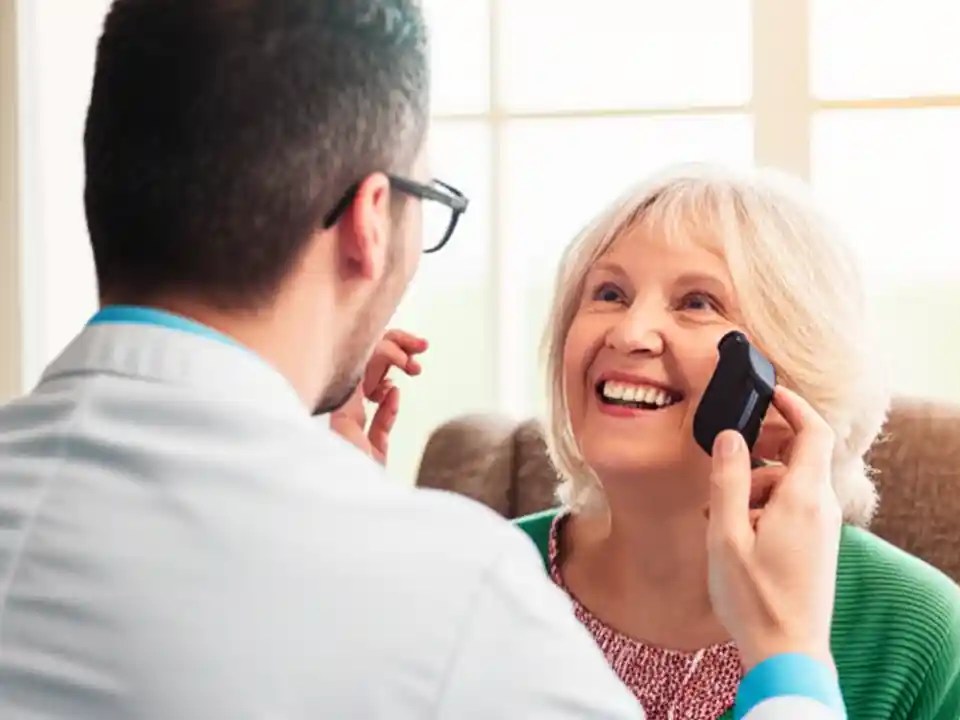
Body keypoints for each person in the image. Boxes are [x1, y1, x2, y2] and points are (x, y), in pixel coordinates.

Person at [0, 2, 847, 718]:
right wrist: (792, 661)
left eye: (696, 301)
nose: (631, 331)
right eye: (426, 201)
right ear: (372, 220)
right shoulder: (464, 598)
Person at [513, 163, 960, 719]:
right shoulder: (478, 580)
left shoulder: (915, 626)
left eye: (697, 303)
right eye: (609, 293)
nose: (629, 333)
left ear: (786, 377)